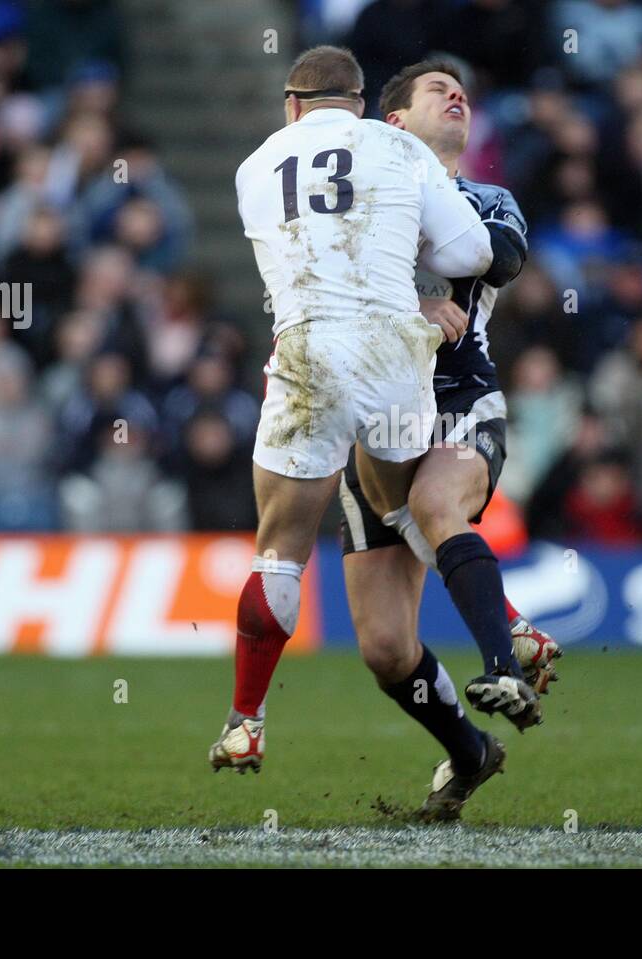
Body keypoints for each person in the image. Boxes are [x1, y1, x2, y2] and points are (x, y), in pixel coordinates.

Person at [209, 47, 494, 774]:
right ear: (362, 103)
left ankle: (246, 720)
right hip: (397, 352)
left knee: (280, 551)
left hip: (306, 352)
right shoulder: (397, 145)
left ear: (292, 105)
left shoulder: (254, 166)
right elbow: (471, 250)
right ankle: (508, 633)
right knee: (410, 512)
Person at [336, 60, 562, 820]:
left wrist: (414, 292)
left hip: (459, 402)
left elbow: (500, 258)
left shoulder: (489, 198)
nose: (456, 93)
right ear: (393, 122)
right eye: (436, 88)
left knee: (437, 500)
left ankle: (506, 665)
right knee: (385, 651)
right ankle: (470, 750)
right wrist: (413, 304)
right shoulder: (357, 197)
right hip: (373, 419)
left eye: (461, 88)